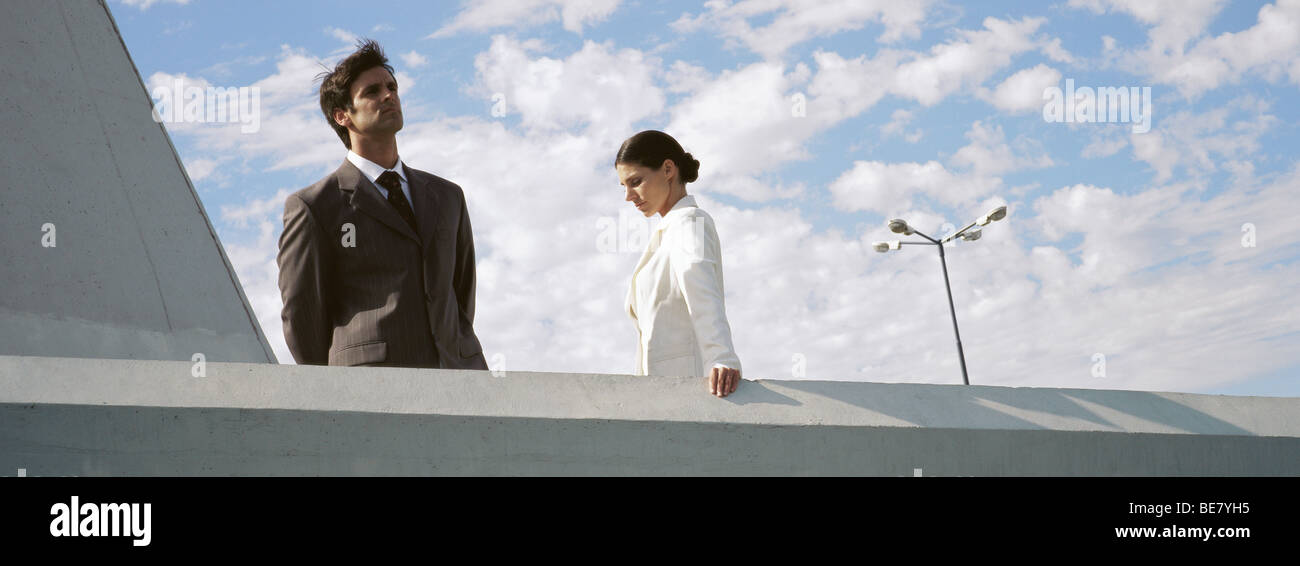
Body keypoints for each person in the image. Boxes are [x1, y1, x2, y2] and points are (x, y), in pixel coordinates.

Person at [276, 39, 487, 370]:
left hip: (460, 378)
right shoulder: (314, 207)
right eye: (372, 92)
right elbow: (301, 317)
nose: (389, 96)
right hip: (369, 389)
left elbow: (460, 297)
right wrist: (340, 387)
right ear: (342, 115)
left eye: (392, 87)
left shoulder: (448, 196)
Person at [617, 130, 742, 397]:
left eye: (636, 181)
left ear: (668, 169)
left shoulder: (688, 221)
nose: (629, 195)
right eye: (624, 186)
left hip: (691, 389)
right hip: (659, 394)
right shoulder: (668, 231)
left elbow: (700, 284)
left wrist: (721, 357)